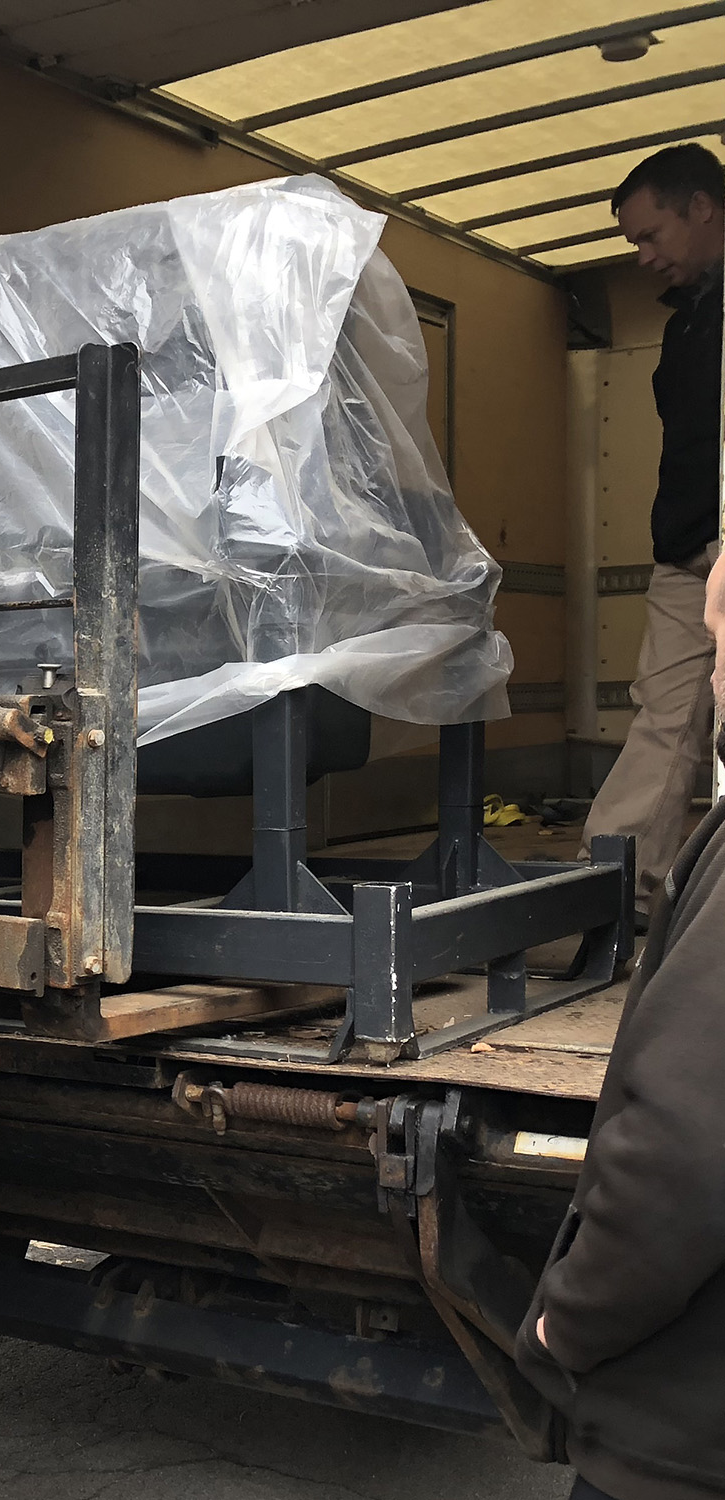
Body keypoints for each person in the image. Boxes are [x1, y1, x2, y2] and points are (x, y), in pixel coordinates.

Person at [512, 552, 725, 1500]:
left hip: (678, 1448)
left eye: (722, 649)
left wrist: (567, 1323)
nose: (712, 678)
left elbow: (683, 1148)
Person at [581, 144, 725, 917]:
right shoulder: (689, 322)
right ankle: (614, 887)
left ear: (701, 206)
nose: (643, 256)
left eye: (650, 234)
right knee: (666, 715)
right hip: (687, 550)